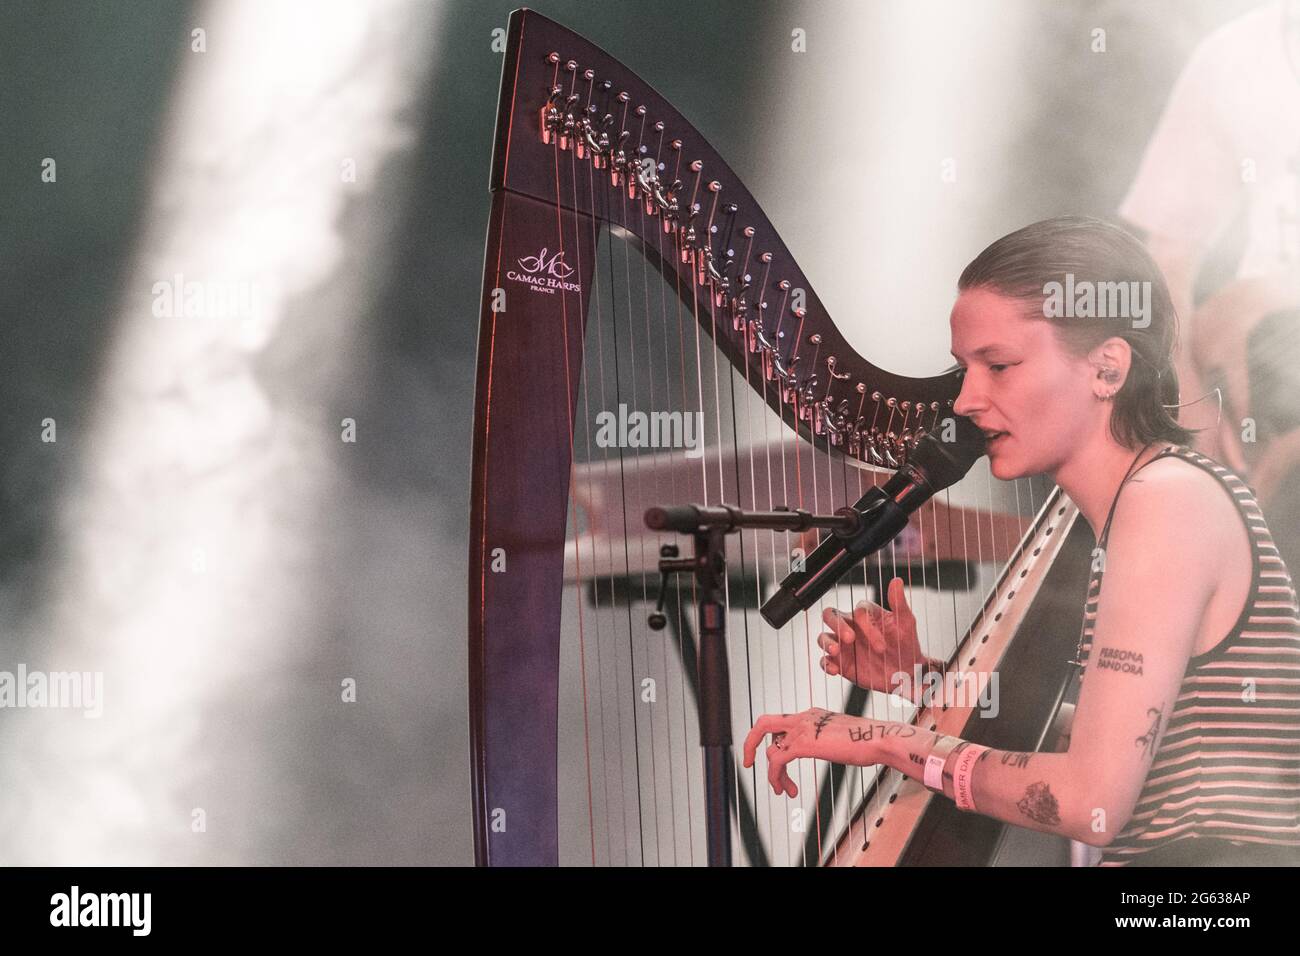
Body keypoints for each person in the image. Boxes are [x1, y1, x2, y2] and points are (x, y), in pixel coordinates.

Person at [743, 216, 1300, 866]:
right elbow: (1129, 746)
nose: (965, 403)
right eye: (964, 370)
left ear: (1107, 369)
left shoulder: (1164, 504)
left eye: (999, 366)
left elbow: (1088, 802)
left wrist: (879, 739)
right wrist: (921, 681)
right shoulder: (1144, 503)